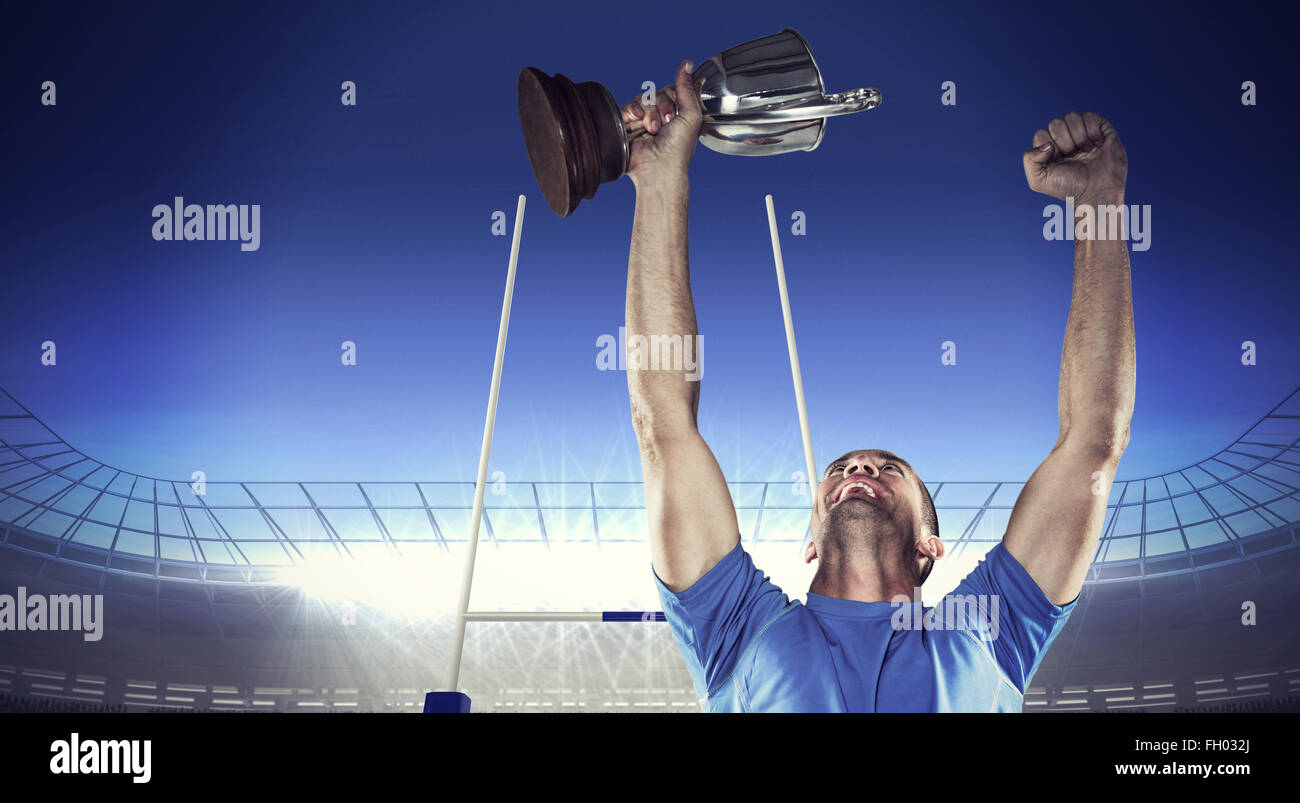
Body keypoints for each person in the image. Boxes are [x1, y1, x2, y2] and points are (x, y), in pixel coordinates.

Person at [622, 61, 1136, 712]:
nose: (860, 463)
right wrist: (660, 180)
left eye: (889, 469)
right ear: (808, 543)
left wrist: (1099, 204)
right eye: (846, 466)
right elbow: (662, 425)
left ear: (931, 544)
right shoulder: (738, 628)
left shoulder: (990, 629)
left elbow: (1094, 441)